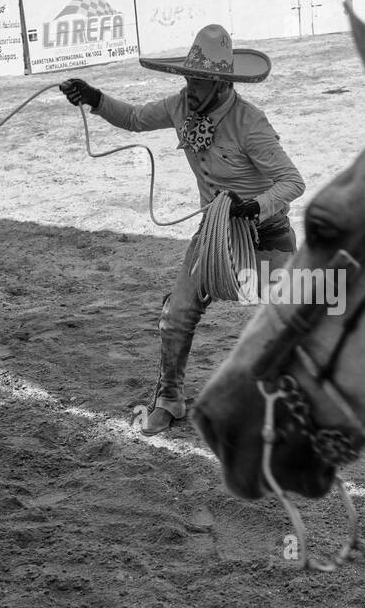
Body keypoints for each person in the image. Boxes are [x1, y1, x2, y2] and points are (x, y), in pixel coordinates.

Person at [59, 24, 305, 435]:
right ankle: (168, 398)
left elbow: (292, 182)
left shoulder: (251, 123)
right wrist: (95, 99)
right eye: (189, 78)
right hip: (214, 233)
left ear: (221, 82)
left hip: (266, 233)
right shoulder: (179, 107)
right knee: (176, 314)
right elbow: (136, 119)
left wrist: (253, 207)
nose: (190, 87)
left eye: (199, 80)